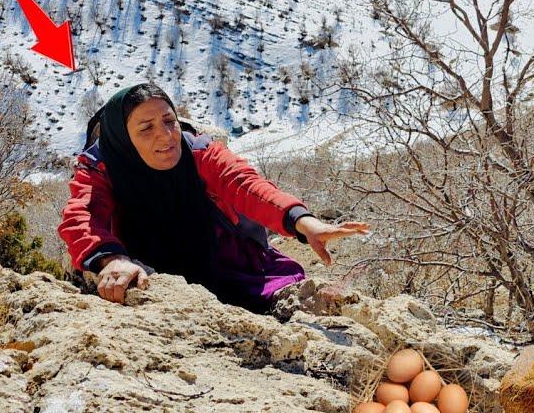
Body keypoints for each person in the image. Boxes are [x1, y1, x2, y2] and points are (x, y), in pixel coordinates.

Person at [59, 84, 369, 314]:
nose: (166, 136)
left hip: (215, 256)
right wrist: (112, 260)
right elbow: (83, 217)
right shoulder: (100, 168)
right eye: (146, 128)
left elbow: (246, 185)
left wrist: (303, 221)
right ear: (123, 139)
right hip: (139, 265)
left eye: (169, 121)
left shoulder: (199, 153)